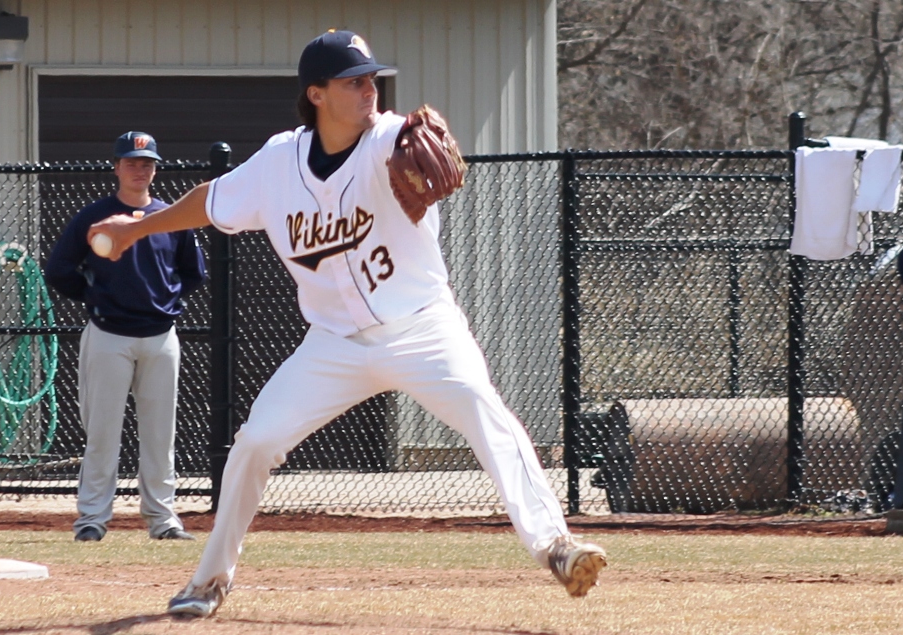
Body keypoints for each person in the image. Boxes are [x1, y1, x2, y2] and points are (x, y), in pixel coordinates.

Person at [88, 30, 607, 617]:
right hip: (331, 345)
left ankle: (555, 547)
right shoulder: (280, 162)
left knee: (483, 409)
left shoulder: (389, 139)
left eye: (372, 79)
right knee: (255, 443)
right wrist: (133, 228)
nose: (369, 89)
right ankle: (208, 581)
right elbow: (210, 201)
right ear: (316, 94)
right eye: (354, 81)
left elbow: (414, 140)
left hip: (421, 329)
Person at [45, 131, 207, 542]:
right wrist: (98, 298)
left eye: (147, 162)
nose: (140, 169)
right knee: (102, 433)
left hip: (160, 337)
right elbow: (59, 269)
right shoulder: (94, 217)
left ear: (156, 167)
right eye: (132, 162)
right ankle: (92, 521)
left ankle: (163, 519)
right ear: (116, 166)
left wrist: (164, 301)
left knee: (159, 434)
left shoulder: (172, 217)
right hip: (108, 335)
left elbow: (194, 273)